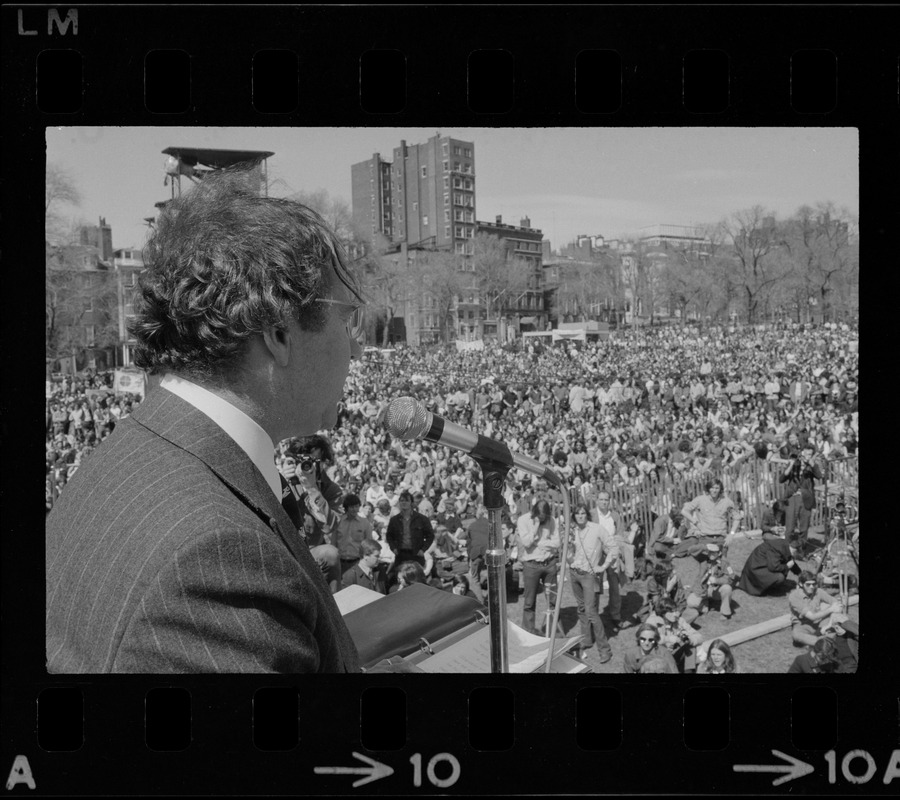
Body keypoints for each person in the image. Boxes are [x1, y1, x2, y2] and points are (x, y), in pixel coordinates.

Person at [45, 170, 363, 673]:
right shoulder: (215, 562)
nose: (357, 346)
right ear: (279, 331)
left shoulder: (132, 452)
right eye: (349, 320)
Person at [567, 503, 613, 664]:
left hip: (589, 576)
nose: (580, 516)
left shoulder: (597, 529)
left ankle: (605, 649)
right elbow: (568, 552)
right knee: (581, 609)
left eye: (583, 513)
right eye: (577, 514)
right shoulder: (571, 530)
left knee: (591, 612)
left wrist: (604, 566)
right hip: (574, 574)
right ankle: (586, 640)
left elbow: (613, 547)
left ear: (587, 514)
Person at [516, 500, 560, 636]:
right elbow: (527, 543)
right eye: (539, 517)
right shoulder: (523, 520)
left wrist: (539, 543)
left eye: (544, 518)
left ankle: (554, 631)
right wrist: (535, 527)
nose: (542, 520)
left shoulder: (552, 520)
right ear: (534, 512)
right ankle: (528, 632)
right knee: (529, 602)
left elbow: (557, 543)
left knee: (553, 600)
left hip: (549, 563)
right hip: (531, 565)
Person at [593, 490, 628, 631]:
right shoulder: (592, 514)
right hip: (597, 554)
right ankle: (594, 616)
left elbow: (620, 533)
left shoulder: (615, 516)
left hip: (612, 553)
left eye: (606, 500)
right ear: (597, 501)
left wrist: (616, 546)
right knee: (596, 584)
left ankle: (615, 615)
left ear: (610, 501)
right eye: (601, 499)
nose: (604, 502)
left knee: (614, 585)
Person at [779, 444, 823, 551]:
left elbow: (819, 476)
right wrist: (790, 465)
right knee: (790, 527)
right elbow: (781, 479)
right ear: (802, 453)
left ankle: (801, 550)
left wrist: (812, 464)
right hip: (792, 498)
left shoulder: (812, 466)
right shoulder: (795, 462)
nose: (808, 456)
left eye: (810, 454)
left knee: (804, 527)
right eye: (806, 453)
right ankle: (786, 551)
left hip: (805, 498)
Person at [385, 490, 435, 578]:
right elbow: (389, 536)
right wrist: (393, 548)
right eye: (402, 500)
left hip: (416, 554)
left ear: (411, 503)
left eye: (407, 500)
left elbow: (430, 535)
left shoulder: (422, 519)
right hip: (401, 554)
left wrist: (423, 549)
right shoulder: (394, 520)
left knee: (416, 579)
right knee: (401, 578)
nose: (404, 503)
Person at [788, 570, 843, 646]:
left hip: (819, 622)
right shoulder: (794, 596)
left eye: (814, 584)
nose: (812, 587)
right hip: (802, 625)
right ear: (801, 584)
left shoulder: (818, 591)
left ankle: (823, 640)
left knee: (839, 616)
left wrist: (829, 624)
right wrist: (831, 609)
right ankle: (823, 643)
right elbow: (812, 617)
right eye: (808, 584)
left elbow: (836, 603)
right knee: (796, 634)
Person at [686, 543, 736, 620]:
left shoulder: (724, 562)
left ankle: (725, 613)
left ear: (719, 553)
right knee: (691, 602)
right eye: (709, 552)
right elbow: (690, 550)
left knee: (727, 588)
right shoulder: (704, 558)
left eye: (714, 552)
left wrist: (717, 580)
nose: (711, 554)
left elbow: (731, 578)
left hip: (716, 590)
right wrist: (704, 546)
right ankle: (705, 603)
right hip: (703, 589)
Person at [738, 538, 802, 596]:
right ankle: (763, 588)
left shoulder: (787, 546)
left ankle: (768, 586)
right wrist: (787, 566)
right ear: (795, 550)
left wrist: (801, 575)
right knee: (780, 577)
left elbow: (791, 562)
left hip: (762, 565)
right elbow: (773, 567)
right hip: (755, 570)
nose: (796, 557)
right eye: (797, 554)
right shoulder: (777, 549)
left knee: (784, 569)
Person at [334, 493, 376, 576]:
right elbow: (333, 543)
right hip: (340, 563)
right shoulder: (338, 522)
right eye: (352, 507)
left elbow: (369, 544)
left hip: (357, 562)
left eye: (357, 506)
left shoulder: (365, 523)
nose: (354, 509)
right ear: (346, 507)